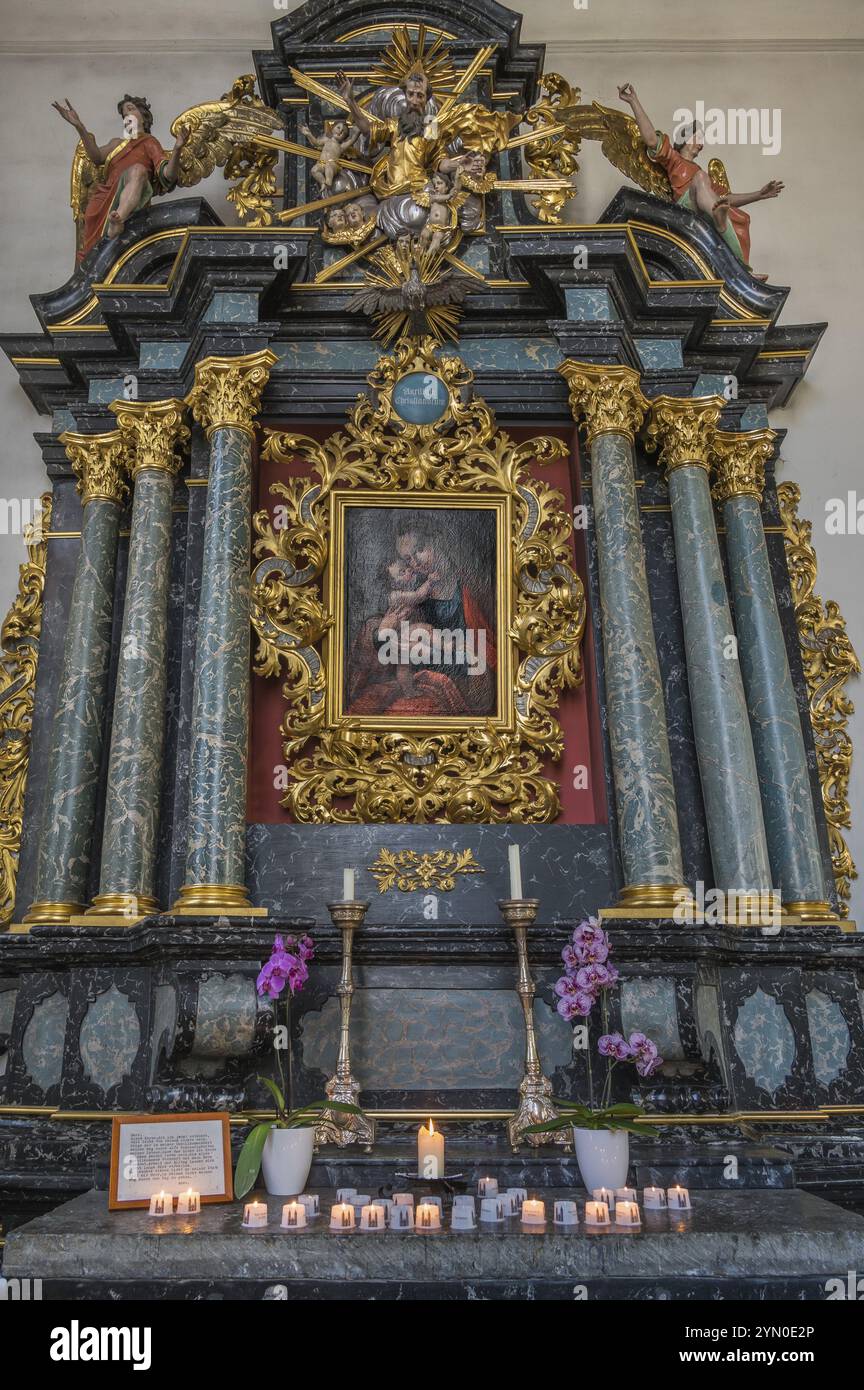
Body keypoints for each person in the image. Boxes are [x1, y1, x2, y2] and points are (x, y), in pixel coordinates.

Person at [616, 83, 783, 269]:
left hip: (705, 202)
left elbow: (725, 198)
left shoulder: (702, 176)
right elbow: (651, 140)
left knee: (740, 216)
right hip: (684, 209)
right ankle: (717, 217)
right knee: (702, 179)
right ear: (686, 138)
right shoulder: (675, 160)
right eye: (699, 138)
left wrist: (758, 195)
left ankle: (742, 268)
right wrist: (634, 101)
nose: (702, 144)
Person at [53, 95, 188, 262]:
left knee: (138, 170)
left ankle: (118, 219)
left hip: (132, 191)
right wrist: (79, 126)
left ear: (144, 116)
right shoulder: (116, 143)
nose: (127, 117)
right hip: (103, 200)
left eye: (131, 110)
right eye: (124, 115)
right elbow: (95, 157)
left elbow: (168, 175)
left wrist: (177, 149)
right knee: (92, 259)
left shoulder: (150, 142)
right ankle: (113, 222)